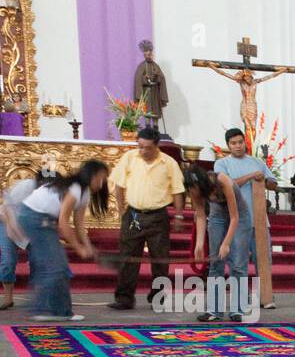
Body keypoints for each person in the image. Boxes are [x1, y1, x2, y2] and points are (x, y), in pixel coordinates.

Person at [16, 160, 110, 322]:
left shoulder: (84, 192)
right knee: (54, 266)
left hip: (45, 219)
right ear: (91, 175)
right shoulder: (74, 189)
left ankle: (61, 311)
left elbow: (79, 225)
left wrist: (88, 246)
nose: (101, 184)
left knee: (60, 267)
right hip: (33, 216)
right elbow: (63, 223)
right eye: (100, 178)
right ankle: (43, 310)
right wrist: (78, 248)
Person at [106, 127, 185, 311]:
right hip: (133, 214)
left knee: (160, 259)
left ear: (157, 145)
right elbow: (119, 185)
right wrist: (121, 209)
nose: (142, 151)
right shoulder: (130, 158)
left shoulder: (169, 163)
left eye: (147, 147)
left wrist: (179, 215)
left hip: (158, 215)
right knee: (128, 257)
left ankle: (157, 298)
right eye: (140, 146)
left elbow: (178, 191)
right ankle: (124, 298)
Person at [209, 127, 275, 317]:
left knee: (258, 260)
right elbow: (226, 185)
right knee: (229, 262)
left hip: (258, 219)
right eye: (233, 143)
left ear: (245, 142)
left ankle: (263, 297)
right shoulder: (221, 164)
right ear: (228, 145)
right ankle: (216, 309)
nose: (238, 146)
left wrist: (265, 179)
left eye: (240, 142)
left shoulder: (257, 162)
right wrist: (251, 176)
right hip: (230, 218)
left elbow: (272, 183)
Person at [183, 168, 241, 322]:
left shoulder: (222, 180)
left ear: (200, 183)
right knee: (215, 262)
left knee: (237, 263)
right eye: (189, 189)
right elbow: (201, 215)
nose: (192, 192)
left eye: (193, 188)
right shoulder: (194, 191)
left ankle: (237, 309)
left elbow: (235, 217)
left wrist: (226, 243)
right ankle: (214, 311)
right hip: (217, 215)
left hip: (239, 215)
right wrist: (199, 245)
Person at [0, 175, 42, 311]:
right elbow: (8, 208)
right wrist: (14, 230)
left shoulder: (53, 193)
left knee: (37, 261)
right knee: (8, 261)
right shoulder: (26, 187)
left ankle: (38, 297)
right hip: (7, 221)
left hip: (31, 227)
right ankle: (8, 298)